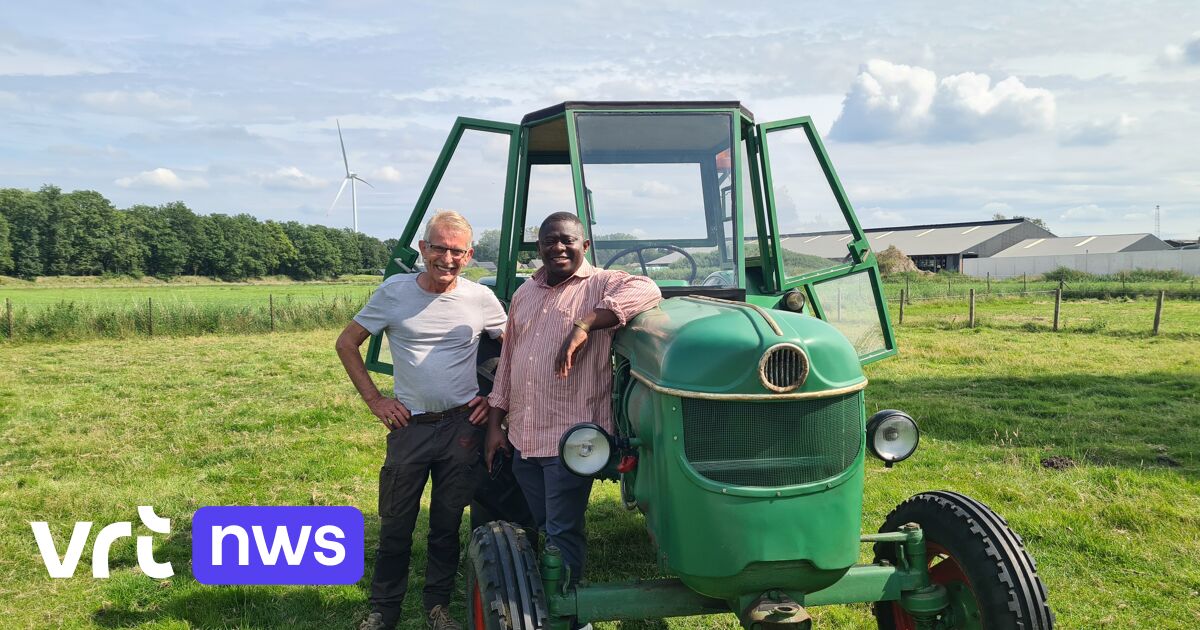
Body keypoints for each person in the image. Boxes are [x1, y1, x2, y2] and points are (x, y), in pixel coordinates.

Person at [336, 210, 506, 630]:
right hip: (409, 427)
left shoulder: (480, 299)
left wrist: (496, 397)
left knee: (447, 525)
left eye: (457, 251)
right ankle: (383, 610)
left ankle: (438, 607)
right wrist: (376, 400)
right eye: (439, 248)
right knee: (396, 524)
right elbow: (346, 343)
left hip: (462, 428)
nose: (447, 258)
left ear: (468, 256)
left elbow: (516, 350)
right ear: (423, 248)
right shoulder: (394, 292)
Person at [484, 211, 661, 598]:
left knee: (563, 527)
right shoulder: (525, 292)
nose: (558, 247)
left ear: (585, 245)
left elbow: (648, 289)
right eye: (550, 240)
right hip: (525, 435)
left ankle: (567, 607)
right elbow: (509, 360)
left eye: (567, 240)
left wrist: (583, 326)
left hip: (571, 439)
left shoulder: (601, 284)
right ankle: (552, 589)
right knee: (547, 524)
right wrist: (496, 425)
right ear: (540, 247)